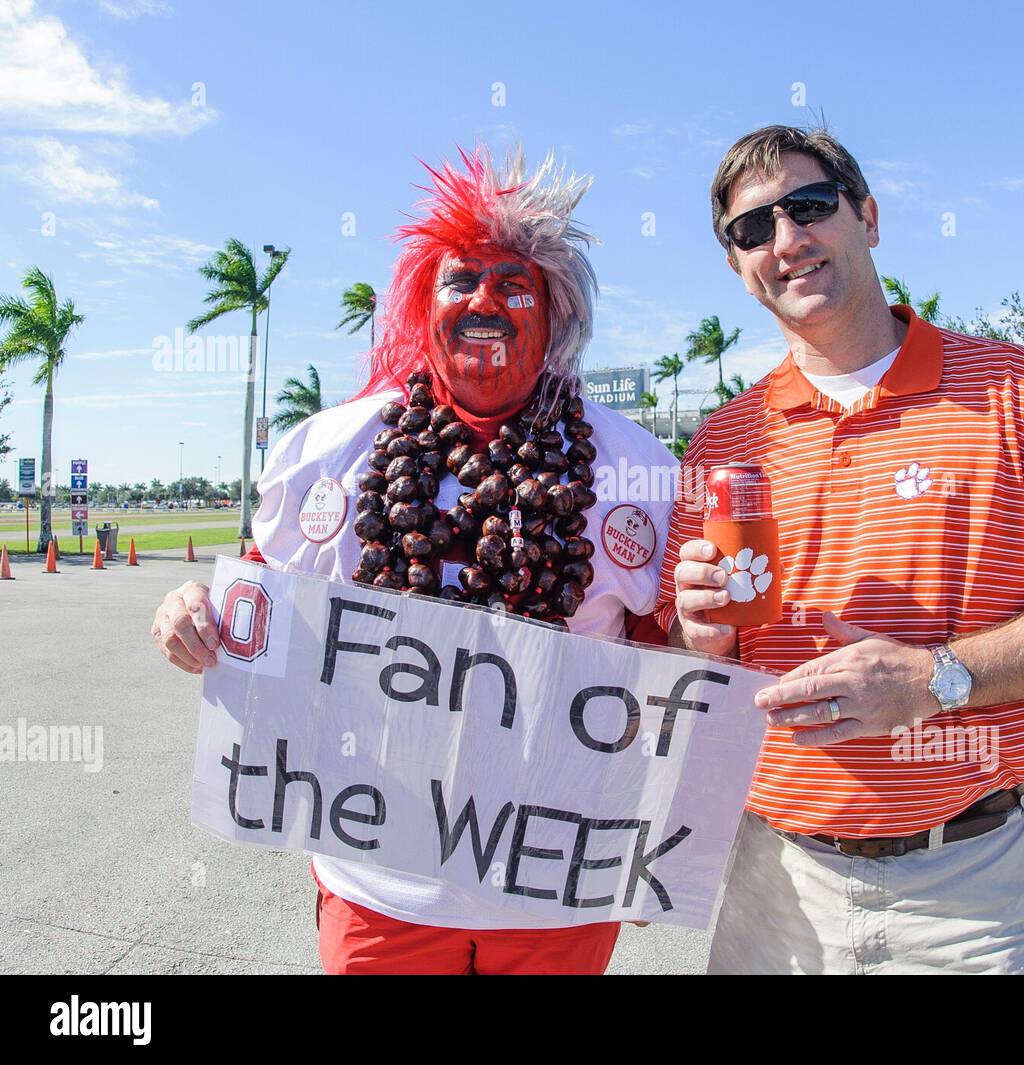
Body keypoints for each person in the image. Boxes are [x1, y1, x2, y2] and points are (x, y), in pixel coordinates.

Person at [150, 146, 675, 974]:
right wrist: (191, 613)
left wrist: (649, 840)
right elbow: (259, 609)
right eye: (461, 280)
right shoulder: (329, 451)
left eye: (513, 285)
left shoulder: (638, 468)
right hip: (378, 883)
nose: (484, 302)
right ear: (424, 303)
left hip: (555, 885)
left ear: (555, 311)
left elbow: (672, 663)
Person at [658, 125, 1024, 974]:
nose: (787, 240)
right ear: (737, 266)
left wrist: (932, 679)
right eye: (751, 229)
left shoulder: (1023, 394)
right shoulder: (721, 442)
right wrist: (697, 638)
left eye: (809, 207)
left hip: (966, 884)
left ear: (868, 218)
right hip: (770, 885)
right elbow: (685, 664)